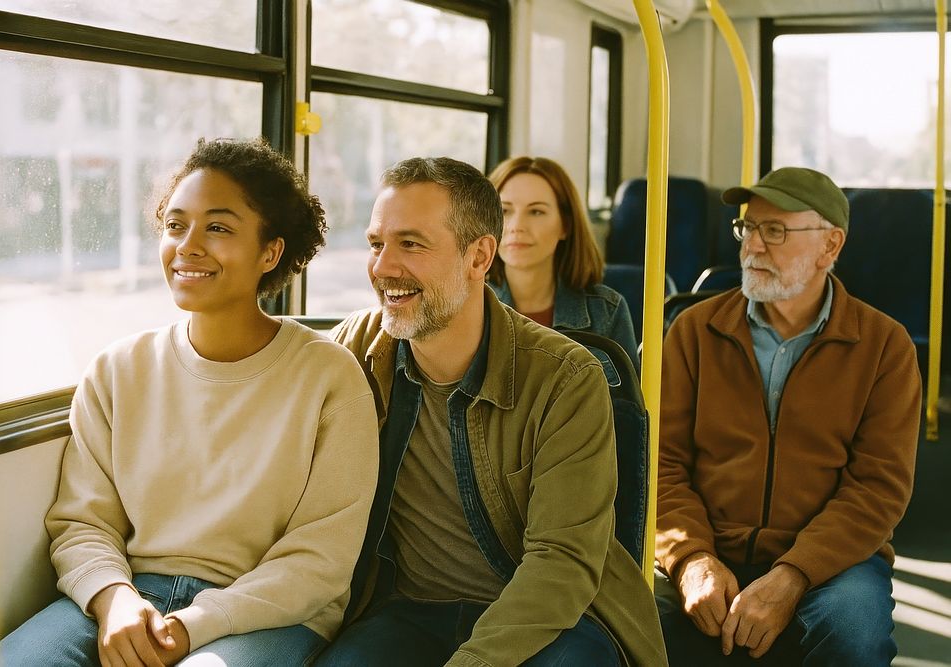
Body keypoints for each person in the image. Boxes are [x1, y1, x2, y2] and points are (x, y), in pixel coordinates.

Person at [0, 138, 379, 666]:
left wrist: (196, 625)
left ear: (271, 252)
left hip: (269, 612)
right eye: (176, 226)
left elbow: (321, 560)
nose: (188, 246)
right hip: (130, 593)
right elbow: (83, 523)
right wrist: (114, 600)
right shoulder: (117, 369)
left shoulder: (330, 377)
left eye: (217, 228)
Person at [316, 157, 666, 667]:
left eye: (411, 244)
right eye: (376, 243)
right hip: (409, 609)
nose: (383, 267)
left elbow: (562, 562)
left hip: (554, 617)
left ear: (479, 256)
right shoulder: (359, 349)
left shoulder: (566, 378)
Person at [656, 167, 920, 666]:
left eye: (774, 231)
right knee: (628, 628)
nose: (752, 246)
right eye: (747, 228)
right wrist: (691, 558)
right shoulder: (693, 332)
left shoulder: (885, 346)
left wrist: (794, 573)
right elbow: (662, 464)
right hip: (709, 540)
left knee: (854, 637)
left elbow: (878, 488)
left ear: (830, 246)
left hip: (831, 560)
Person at [487, 156, 639, 375]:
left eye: (536, 211)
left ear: (565, 226)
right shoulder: (463, 307)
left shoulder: (606, 312)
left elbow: (624, 407)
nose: (517, 226)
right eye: (504, 211)